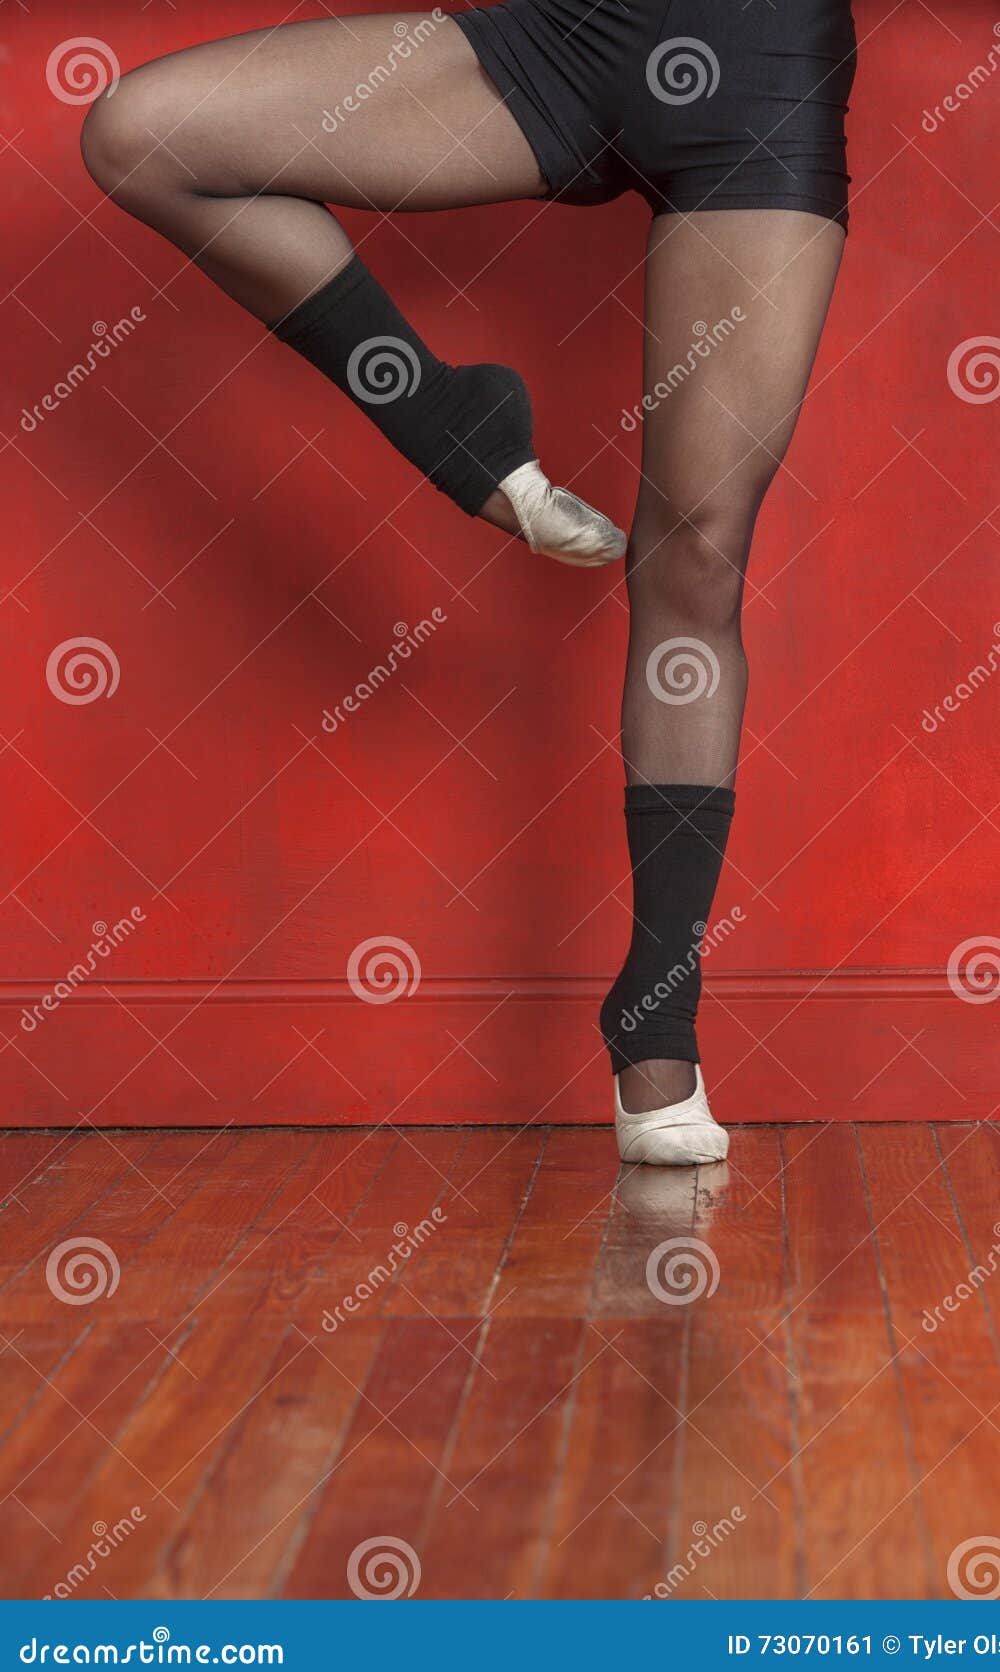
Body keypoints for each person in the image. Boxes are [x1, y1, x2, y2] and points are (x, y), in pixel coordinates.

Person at [80, 1, 857, 1166]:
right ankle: (449, 421)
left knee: (692, 551)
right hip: (555, 37)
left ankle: (657, 1023)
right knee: (141, 130)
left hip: (756, 60)